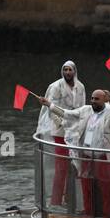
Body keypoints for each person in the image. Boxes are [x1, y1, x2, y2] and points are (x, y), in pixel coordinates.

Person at [38, 88, 110, 218]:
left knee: (106, 189)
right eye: (92, 98)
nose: (93, 101)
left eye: (97, 99)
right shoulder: (85, 110)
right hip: (86, 156)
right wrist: (49, 105)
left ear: (104, 100)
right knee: (87, 188)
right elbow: (66, 114)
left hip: (104, 157)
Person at [36, 61, 86, 208]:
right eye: (65, 69)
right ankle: (56, 201)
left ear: (74, 71)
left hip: (76, 130)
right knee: (61, 167)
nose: (68, 72)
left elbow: (82, 108)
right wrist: (62, 122)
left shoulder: (80, 86)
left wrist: (78, 123)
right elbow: (51, 108)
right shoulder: (56, 86)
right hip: (60, 130)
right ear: (62, 71)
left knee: (76, 165)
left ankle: (71, 198)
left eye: (70, 70)